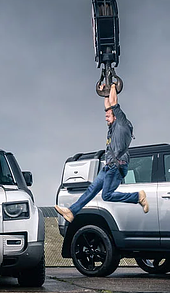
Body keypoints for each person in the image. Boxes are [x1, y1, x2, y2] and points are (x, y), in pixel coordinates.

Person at [55, 80, 148, 223]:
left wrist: (112, 86)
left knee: (107, 195)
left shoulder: (122, 123)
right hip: (109, 165)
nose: (106, 117)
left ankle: (138, 196)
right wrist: (104, 93)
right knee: (91, 189)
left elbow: (114, 102)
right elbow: (108, 105)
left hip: (117, 166)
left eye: (108, 115)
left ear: (116, 116)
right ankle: (72, 211)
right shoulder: (113, 126)